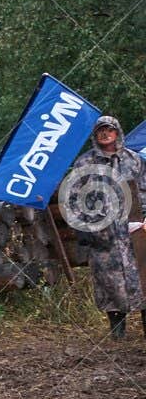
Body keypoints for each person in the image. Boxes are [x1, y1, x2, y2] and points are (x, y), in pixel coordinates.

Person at [67, 114, 146, 339]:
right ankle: (117, 333)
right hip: (104, 235)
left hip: (136, 231)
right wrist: (85, 230)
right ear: (95, 134)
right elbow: (73, 199)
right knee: (109, 282)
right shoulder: (85, 163)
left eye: (109, 129)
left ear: (117, 131)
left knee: (143, 277)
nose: (105, 133)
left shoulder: (134, 160)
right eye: (101, 130)